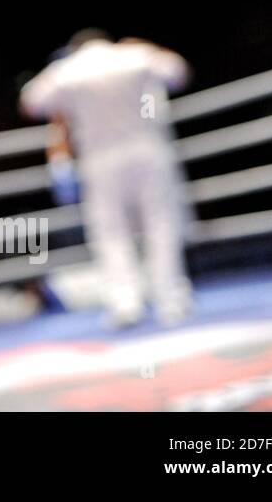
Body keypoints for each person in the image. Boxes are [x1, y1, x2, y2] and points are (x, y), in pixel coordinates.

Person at [19, 30, 194, 327]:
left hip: (100, 160)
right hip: (147, 151)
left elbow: (30, 102)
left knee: (111, 233)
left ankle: (125, 303)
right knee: (161, 224)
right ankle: (171, 300)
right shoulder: (133, 55)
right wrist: (149, 47)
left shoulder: (68, 70)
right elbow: (179, 72)